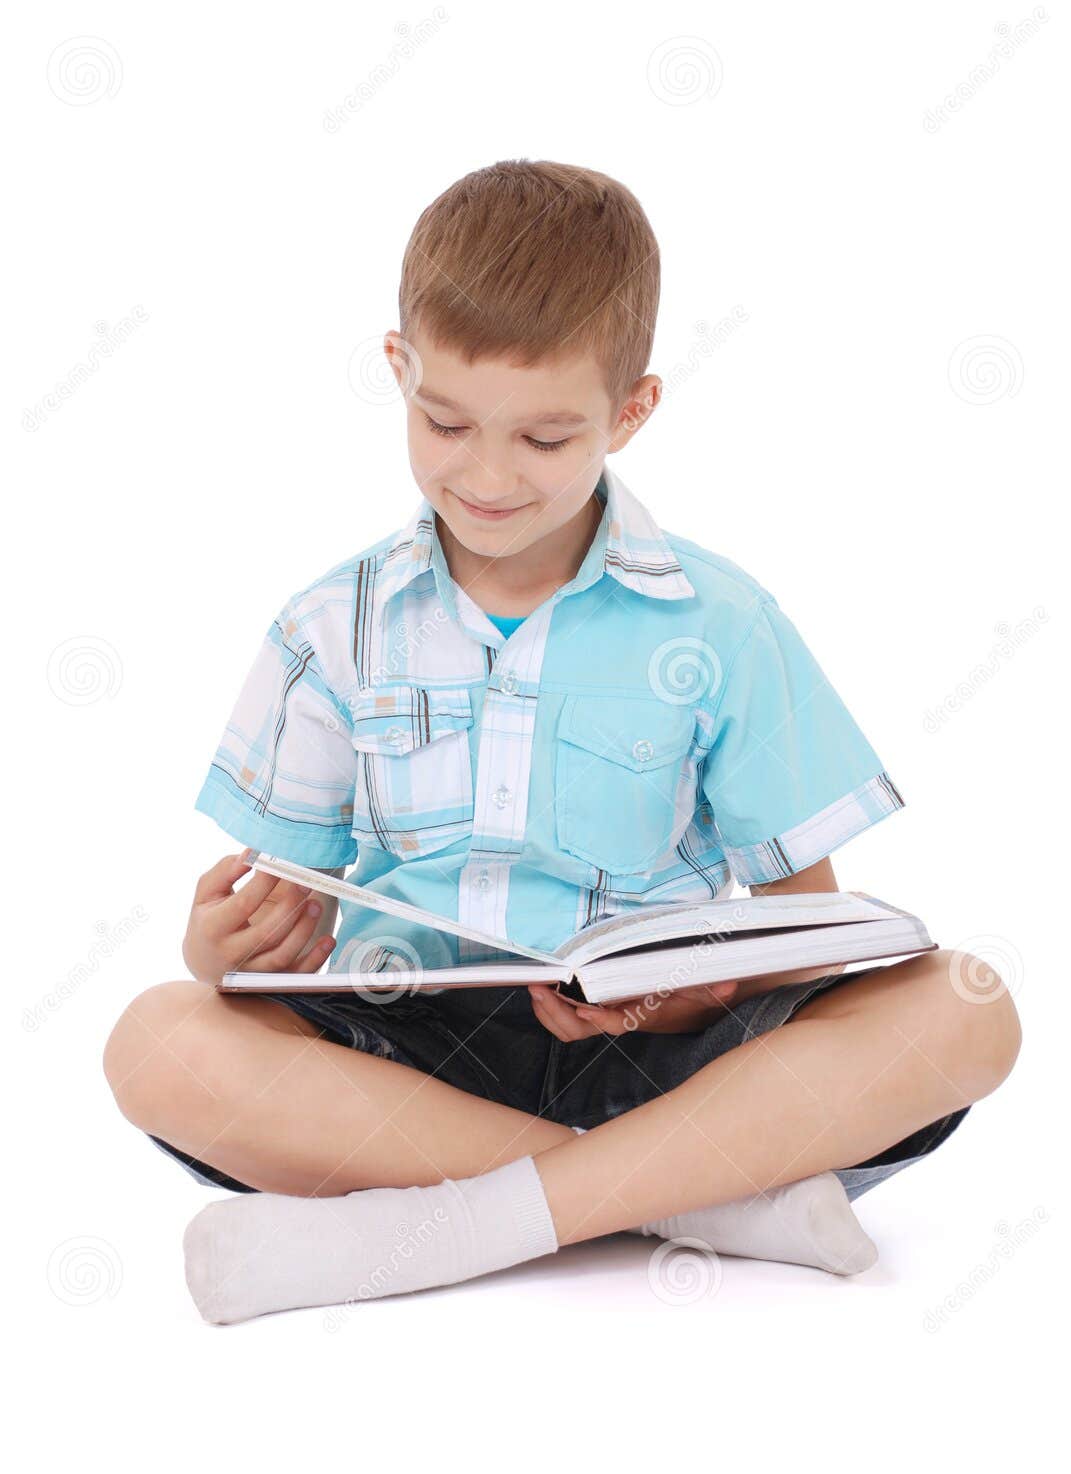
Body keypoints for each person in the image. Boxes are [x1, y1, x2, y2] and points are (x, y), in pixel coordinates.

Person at [102, 160, 1021, 1323]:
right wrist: (218, 945)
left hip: (665, 1059)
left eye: (544, 437)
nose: (486, 476)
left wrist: (691, 995)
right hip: (410, 1060)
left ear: (629, 412)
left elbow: (807, 930)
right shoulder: (330, 627)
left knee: (966, 1004)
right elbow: (274, 931)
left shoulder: (721, 621)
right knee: (160, 1039)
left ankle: (464, 1222)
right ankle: (694, 1200)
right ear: (399, 371)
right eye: (445, 423)